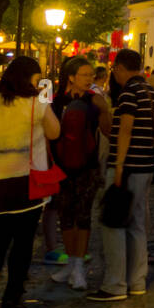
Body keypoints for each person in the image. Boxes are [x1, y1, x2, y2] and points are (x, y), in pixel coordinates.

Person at [0, 56, 61, 308]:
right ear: (27, 78)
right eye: (37, 77)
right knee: (22, 244)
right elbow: (55, 133)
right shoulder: (36, 104)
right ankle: (11, 299)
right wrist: (45, 101)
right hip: (28, 181)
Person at [87, 48, 154, 302]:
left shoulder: (129, 92)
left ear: (119, 67)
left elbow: (126, 130)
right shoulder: (150, 91)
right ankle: (137, 280)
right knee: (137, 223)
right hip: (145, 165)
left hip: (127, 167)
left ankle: (115, 283)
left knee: (113, 223)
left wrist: (118, 166)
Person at [49, 56, 111, 291]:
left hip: (87, 165)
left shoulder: (94, 101)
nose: (89, 79)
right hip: (62, 166)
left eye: (91, 75)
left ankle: (78, 266)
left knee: (83, 215)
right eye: (84, 75)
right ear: (72, 77)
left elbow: (107, 130)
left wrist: (105, 110)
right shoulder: (56, 102)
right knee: (66, 215)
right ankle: (71, 262)